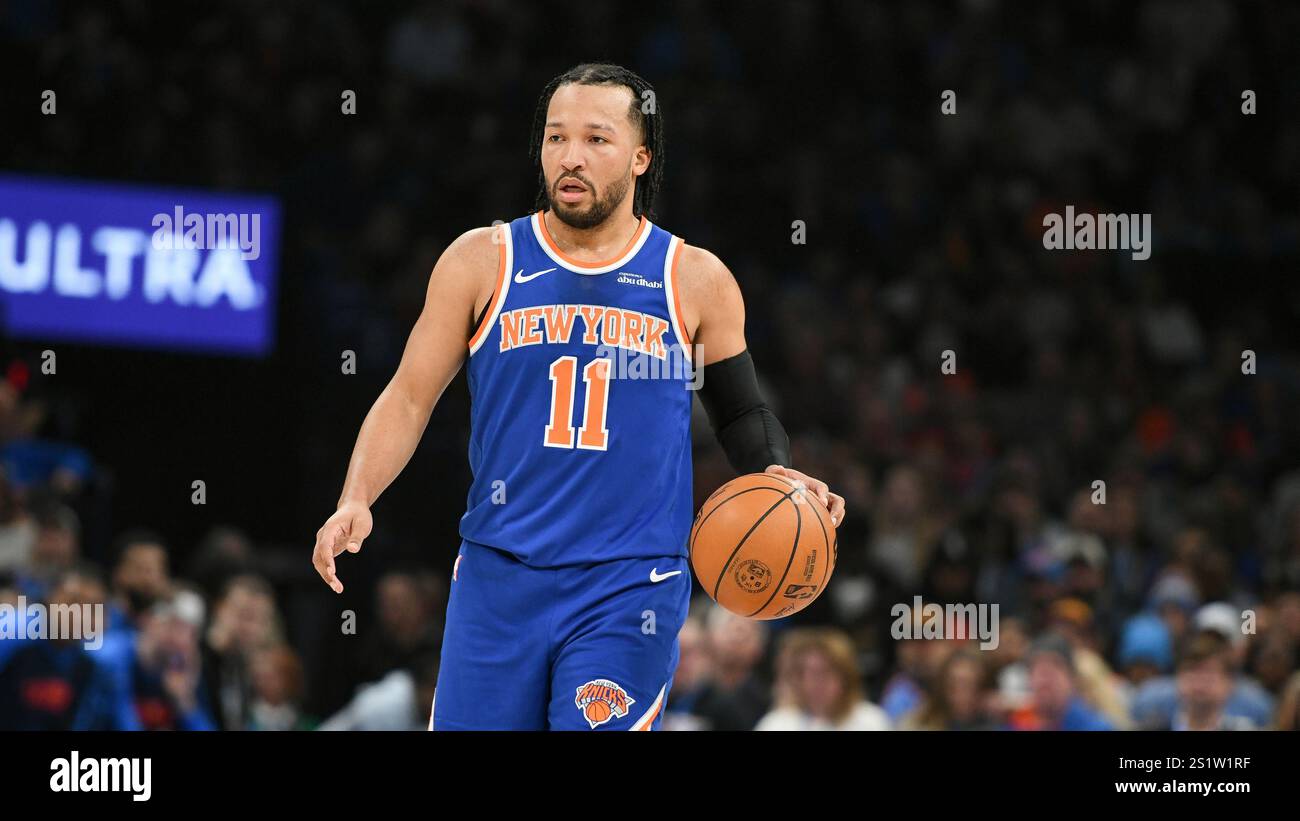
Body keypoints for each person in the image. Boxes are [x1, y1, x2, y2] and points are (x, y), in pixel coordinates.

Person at [311, 62, 844, 730]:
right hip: (499, 576)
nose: (571, 157)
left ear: (640, 156)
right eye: (556, 137)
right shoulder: (484, 260)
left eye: (596, 139)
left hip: (628, 586)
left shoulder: (692, 278)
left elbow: (738, 409)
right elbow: (409, 397)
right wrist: (355, 496)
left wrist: (777, 470)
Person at [755, 628, 889, 731]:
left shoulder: (872, 721)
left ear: (846, 675)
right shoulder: (777, 723)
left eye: (824, 672)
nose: (813, 682)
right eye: (804, 672)